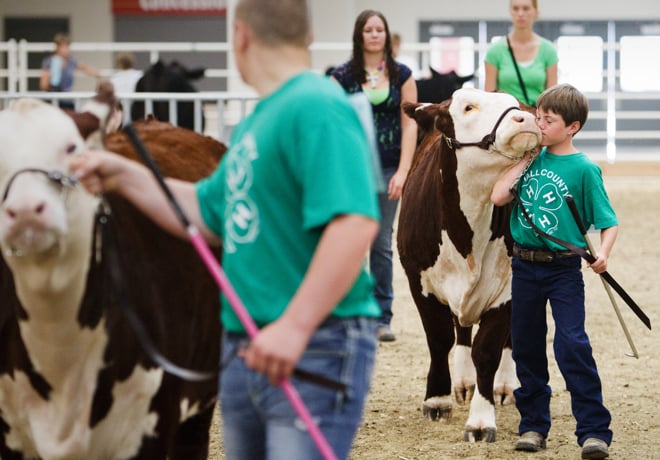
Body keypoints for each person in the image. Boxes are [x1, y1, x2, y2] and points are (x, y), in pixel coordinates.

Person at [70, 0, 381, 458]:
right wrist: (121, 173)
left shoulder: (315, 105)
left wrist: (293, 328)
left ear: (240, 36)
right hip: (248, 347)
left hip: (309, 346)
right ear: (308, 37)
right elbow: (210, 211)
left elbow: (354, 223)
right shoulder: (259, 119)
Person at [491, 83, 616, 460]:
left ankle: (594, 431)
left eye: (549, 120)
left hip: (563, 270)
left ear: (572, 127)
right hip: (524, 265)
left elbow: (608, 222)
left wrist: (603, 254)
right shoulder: (529, 161)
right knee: (526, 345)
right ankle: (532, 424)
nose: (540, 124)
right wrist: (528, 158)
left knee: (572, 343)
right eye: (539, 117)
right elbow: (499, 196)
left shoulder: (584, 169)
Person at [330, 10, 418, 342]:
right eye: (369, 29)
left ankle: (382, 316)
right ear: (359, 35)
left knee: (380, 244)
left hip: (389, 167)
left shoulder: (402, 75)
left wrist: (404, 170)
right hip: (352, 171)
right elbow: (331, 124)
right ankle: (351, 312)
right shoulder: (340, 77)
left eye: (380, 29)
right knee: (350, 242)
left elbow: (410, 123)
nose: (375, 34)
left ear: (386, 35)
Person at [484, 0, 558, 106]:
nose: (520, 14)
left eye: (526, 8)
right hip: (506, 117)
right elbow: (489, 97)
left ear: (536, 12)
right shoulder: (495, 51)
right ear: (510, 11)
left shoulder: (548, 50)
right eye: (515, 9)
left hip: (537, 118)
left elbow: (552, 98)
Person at [39, 32, 100, 108]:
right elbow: (43, 85)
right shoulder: (49, 61)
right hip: (54, 99)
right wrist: (52, 78)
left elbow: (84, 67)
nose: (66, 50)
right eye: (63, 47)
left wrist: (96, 73)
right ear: (57, 47)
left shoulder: (71, 60)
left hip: (68, 99)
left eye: (67, 47)